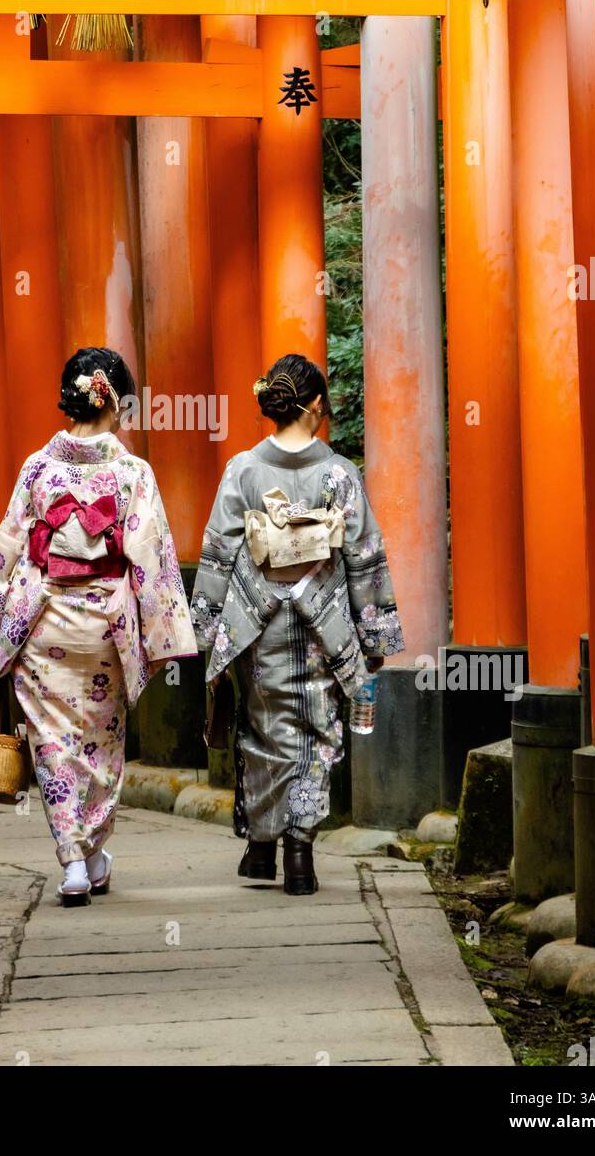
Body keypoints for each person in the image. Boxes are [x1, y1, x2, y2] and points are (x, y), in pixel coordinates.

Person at [0, 346, 195, 906]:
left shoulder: (37, 468)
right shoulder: (131, 473)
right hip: (104, 631)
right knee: (101, 744)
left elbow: (7, 548)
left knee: (51, 746)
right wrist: (164, 636)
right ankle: (87, 851)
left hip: (42, 626)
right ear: (116, 403)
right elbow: (152, 557)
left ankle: (77, 860)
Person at [190, 354, 404, 895]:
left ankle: (262, 847)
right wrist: (373, 635)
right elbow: (363, 556)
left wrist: (203, 627)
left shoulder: (242, 469)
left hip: (257, 627)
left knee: (264, 732)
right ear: (314, 405)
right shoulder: (338, 473)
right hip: (322, 626)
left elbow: (217, 554)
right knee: (317, 730)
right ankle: (300, 855)